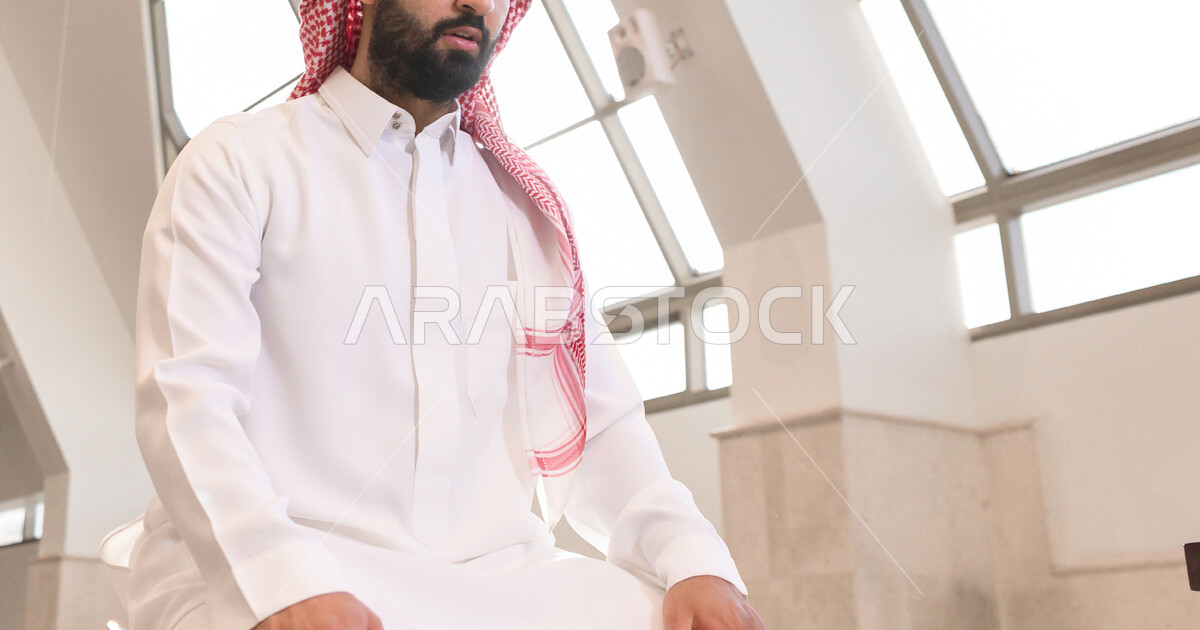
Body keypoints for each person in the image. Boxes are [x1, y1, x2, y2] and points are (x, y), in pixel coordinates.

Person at [98, 0, 765, 628]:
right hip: (279, 559)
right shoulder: (241, 161)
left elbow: (601, 423)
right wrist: (284, 579)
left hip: (494, 579)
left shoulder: (516, 208)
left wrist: (691, 560)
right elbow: (187, 397)